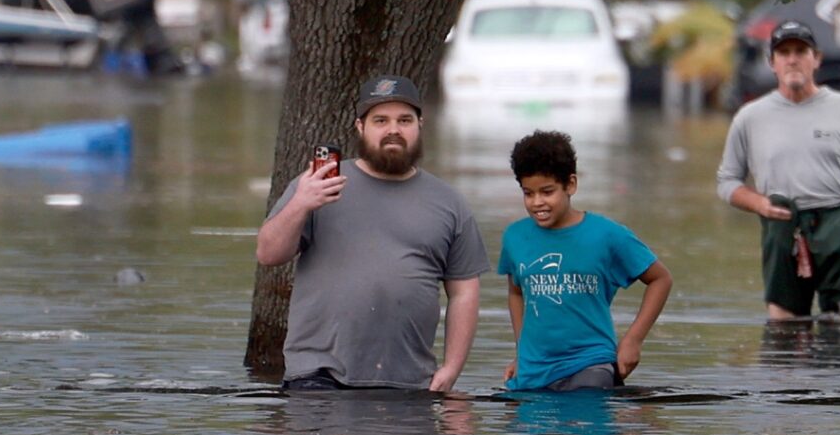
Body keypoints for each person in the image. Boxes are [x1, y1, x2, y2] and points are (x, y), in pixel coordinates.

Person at [256, 75, 488, 392]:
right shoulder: (318, 185)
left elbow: (464, 293)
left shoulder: (449, 203)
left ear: (420, 125)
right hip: (319, 377)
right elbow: (269, 254)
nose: (393, 129)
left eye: (404, 120)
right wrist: (301, 203)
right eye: (381, 120)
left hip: (409, 381)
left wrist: (451, 369)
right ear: (360, 127)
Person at [716, 19, 840, 319]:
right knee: (783, 327)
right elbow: (727, 182)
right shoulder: (750, 117)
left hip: (839, 220)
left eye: (801, 51)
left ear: (816, 59)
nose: (792, 59)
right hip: (782, 224)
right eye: (784, 52)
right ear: (772, 63)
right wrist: (761, 205)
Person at [498, 130, 672, 391]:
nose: (537, 203)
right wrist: (521, 352)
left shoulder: (607, 235)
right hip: (534, 370)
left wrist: (633, 340)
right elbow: (515, 293)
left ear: (571, 185)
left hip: (590, 365)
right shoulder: (515, 237)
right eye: (528, 193)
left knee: (584, 427)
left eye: (547, 191)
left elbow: (660, 279)